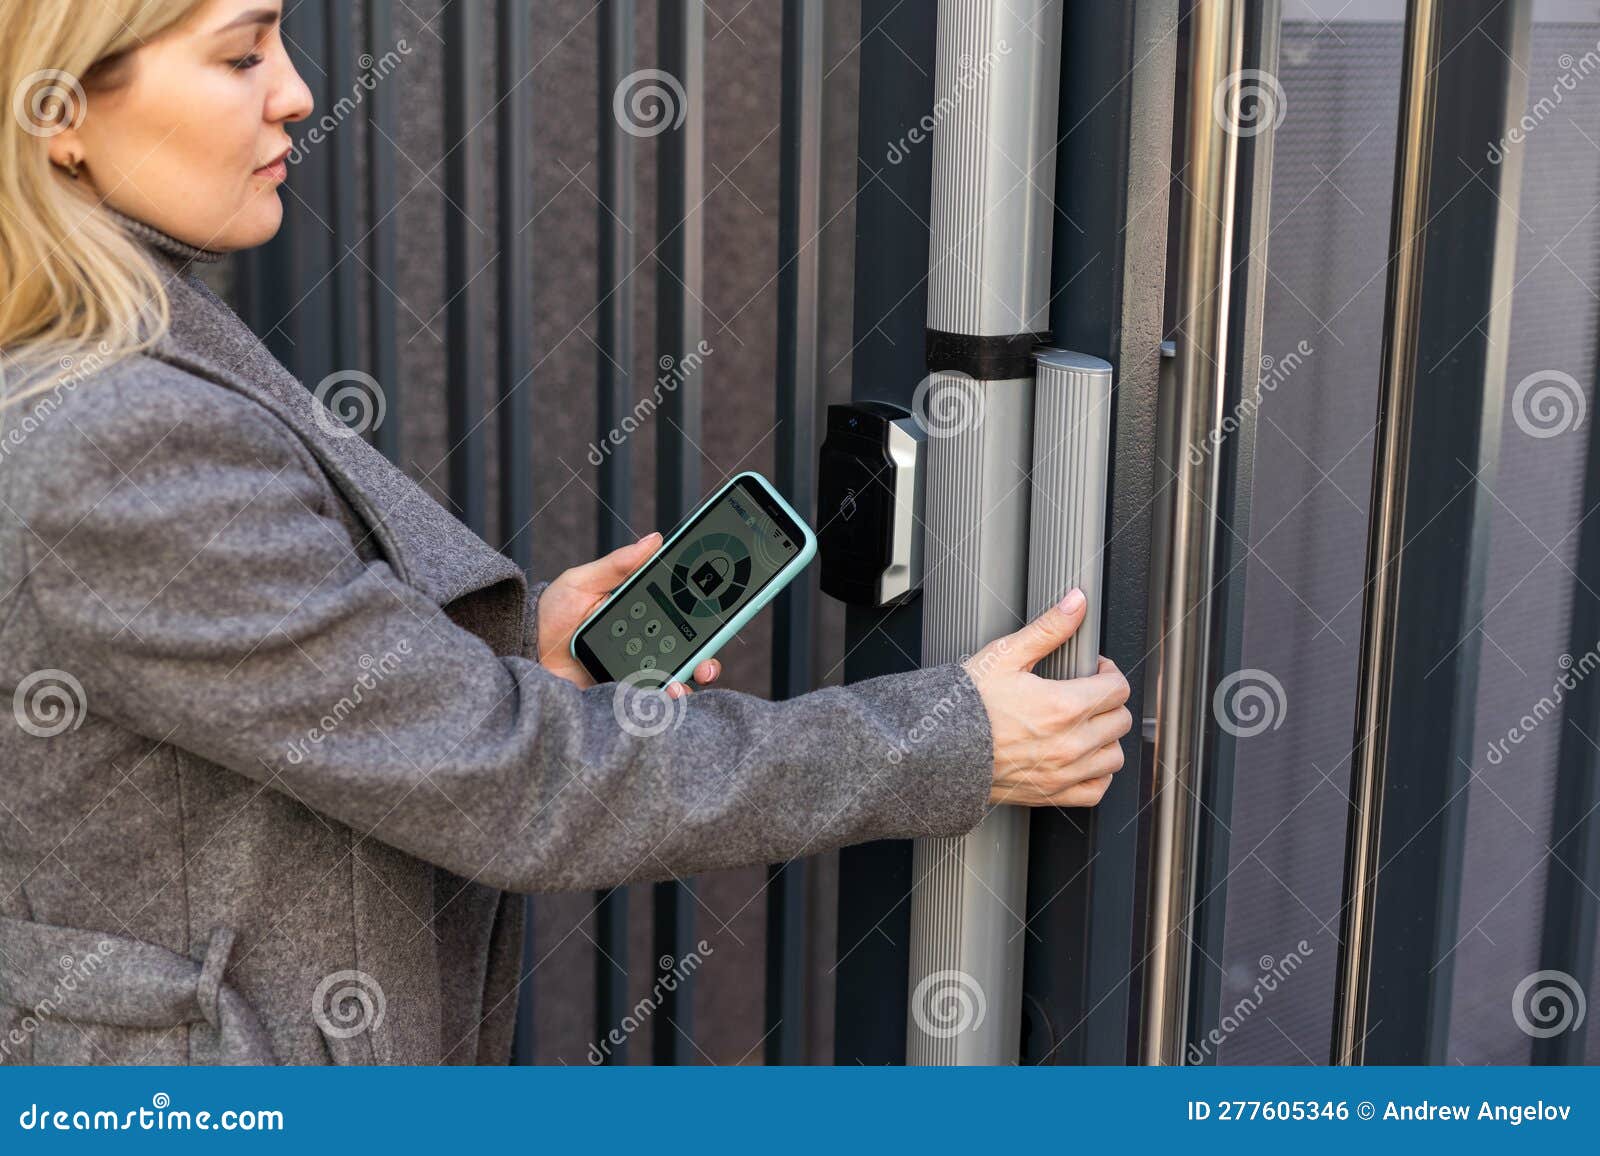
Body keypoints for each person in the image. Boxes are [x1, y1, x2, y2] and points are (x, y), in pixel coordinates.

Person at [0, 0, 1132, 1065]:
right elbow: (520, 785)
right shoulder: (121, 436)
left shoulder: (102, 360)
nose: (297, 93)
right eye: (243, 54)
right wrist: (949, 740)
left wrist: (506, 671)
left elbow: (265, 714)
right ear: (59, 112)